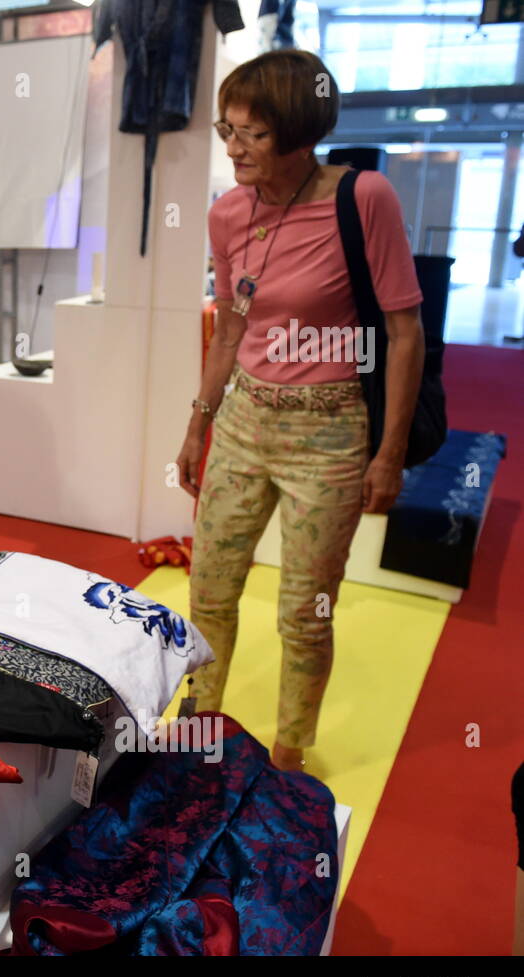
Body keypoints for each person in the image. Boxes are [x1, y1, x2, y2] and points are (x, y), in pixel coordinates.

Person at [175, 51, 425, 773]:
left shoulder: (363, 198)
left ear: (298, 129)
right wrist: (198, 427)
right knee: (208, 594)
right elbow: (229, 327)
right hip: (244, 425)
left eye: (251, 134)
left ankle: (288, 758)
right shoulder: (228, 213)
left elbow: (406, 333)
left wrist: (389, 452)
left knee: (304, 616)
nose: (232, 148)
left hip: (331, 435)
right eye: (228, 130)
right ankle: (198, 739)